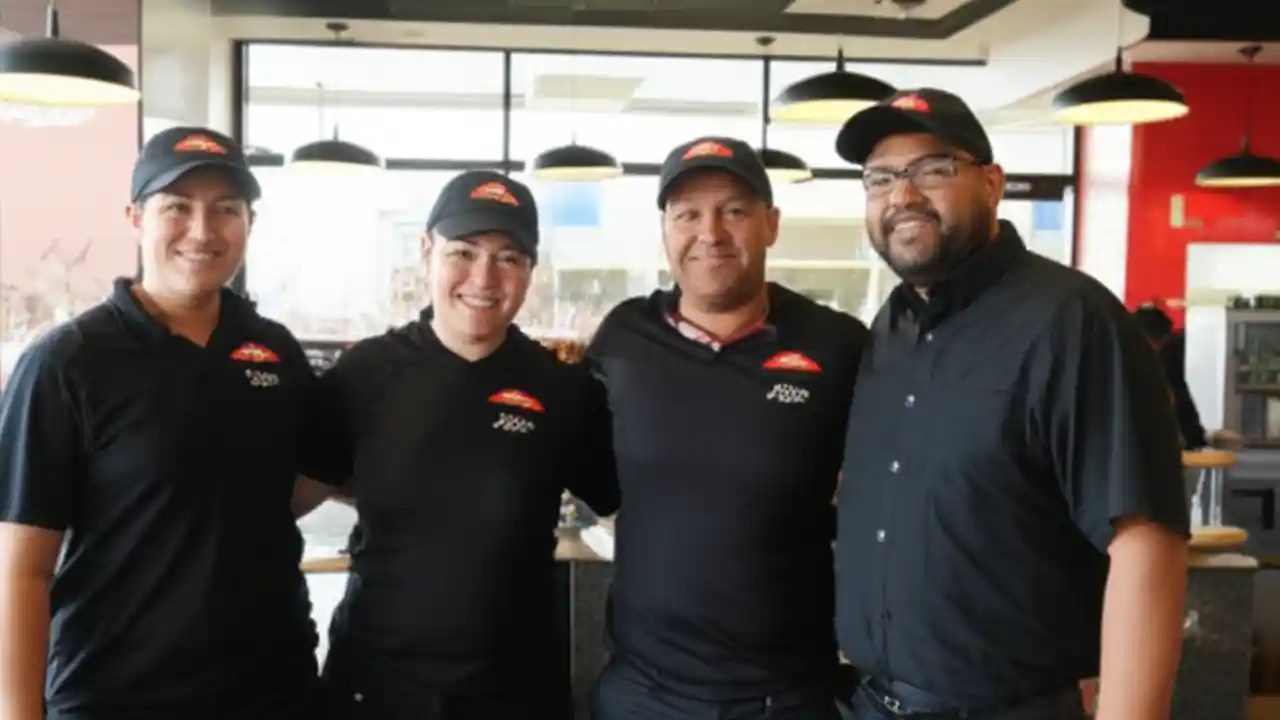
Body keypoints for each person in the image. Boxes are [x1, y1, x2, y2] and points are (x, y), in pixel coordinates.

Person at [832, 88, 1189, 720]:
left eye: (933, 169)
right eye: (880, 178)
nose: (903, 195)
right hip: (870, 704)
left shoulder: (1072, 320)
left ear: (992, 182)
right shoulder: (892, 325)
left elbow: (1145, 539)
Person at [0, 127, 321, 719]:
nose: (202, 231)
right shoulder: (67, 362)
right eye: (177, 207)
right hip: (117, 693)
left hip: (272, 689)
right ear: (135, 217)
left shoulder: (274, 351)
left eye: (226, 210)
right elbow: (22, 569)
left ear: (249, 222)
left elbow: (290, 487)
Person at [296, 170, 619, 720]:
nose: (484, 277)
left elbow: (629, 510)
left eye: (509, 258)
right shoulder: (366, 374)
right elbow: (284, 503)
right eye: (464, 252)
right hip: (374, 689)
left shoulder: (563, 389)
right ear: (427, 252)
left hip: (516, 694)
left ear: (529, 272)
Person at [586, 136, 870, 720]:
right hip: (644, 693)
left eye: (734, 211)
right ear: (665, 230)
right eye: (688, 214)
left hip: (788, 696)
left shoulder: (837, 345)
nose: (710, 233)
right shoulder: (622, 338)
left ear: (771, 224)